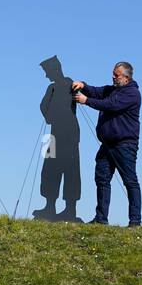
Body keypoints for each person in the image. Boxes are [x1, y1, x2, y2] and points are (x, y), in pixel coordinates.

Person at [73, 62, 142, 227]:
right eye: (113, 73)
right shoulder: (112, 90)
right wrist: (83, 85)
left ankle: (135, 221)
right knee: (102, 179)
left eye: (116, 75)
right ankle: (101, 218)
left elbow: (110, 105)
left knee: (130, 181)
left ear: (126, 77)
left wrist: (86, 100)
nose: (113, 77)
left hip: (125, 145)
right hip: (107, 145)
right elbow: (98, 91)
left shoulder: (132, 94)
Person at [33, 55, 82, 222]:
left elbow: (44, 106)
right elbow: (43, 106)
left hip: (67, 135)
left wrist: (50, 116)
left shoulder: (67, 84)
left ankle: (69, 209)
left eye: (47, 72)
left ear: (55, 70)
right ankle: (50, 206)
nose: (46, 76)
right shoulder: (53, 87)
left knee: (70, 170)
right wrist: (50, 117)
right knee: (49, 169)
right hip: (54, 135)